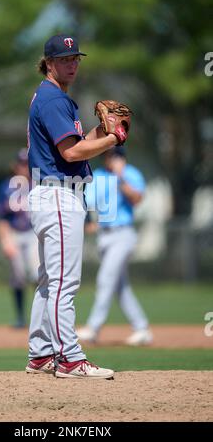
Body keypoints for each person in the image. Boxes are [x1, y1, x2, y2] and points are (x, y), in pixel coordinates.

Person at [25, 34, 126, 379]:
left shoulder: (53, 98)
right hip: (58, 195)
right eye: (64, 59)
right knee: (64, 283)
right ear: (49, 63)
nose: (72, 64)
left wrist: (99, 131)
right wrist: (113, 139)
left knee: (49, 282)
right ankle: (69, 358)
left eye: (75, 59)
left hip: (51, 193)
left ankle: (40, 354)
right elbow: (70, 153)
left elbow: (75, 144)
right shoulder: (53, 99)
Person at [77, 146, 153, 345]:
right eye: (106, 155)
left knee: (105, 278)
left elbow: (137, 199)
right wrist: (89, 222)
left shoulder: (130, 174)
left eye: (112, 156)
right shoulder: (98, 175)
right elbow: (89, 201)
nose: (108, 159)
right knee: (120, 287)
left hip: (123, 234)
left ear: (121, 158)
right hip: (104, 235)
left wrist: (120, 177)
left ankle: (93, 328)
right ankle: (142, 328)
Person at [0, 148, 39, 328]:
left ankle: (41, 318)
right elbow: (1, 218)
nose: (24, 167)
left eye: (27, 163)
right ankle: (21, 318)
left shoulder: (39, 186)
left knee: (38, 275)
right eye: (21, 163)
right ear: (15, 166)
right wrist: (5, 241)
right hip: (14, 233)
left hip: (34, 234)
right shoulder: (6, 187)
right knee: (18, 277)